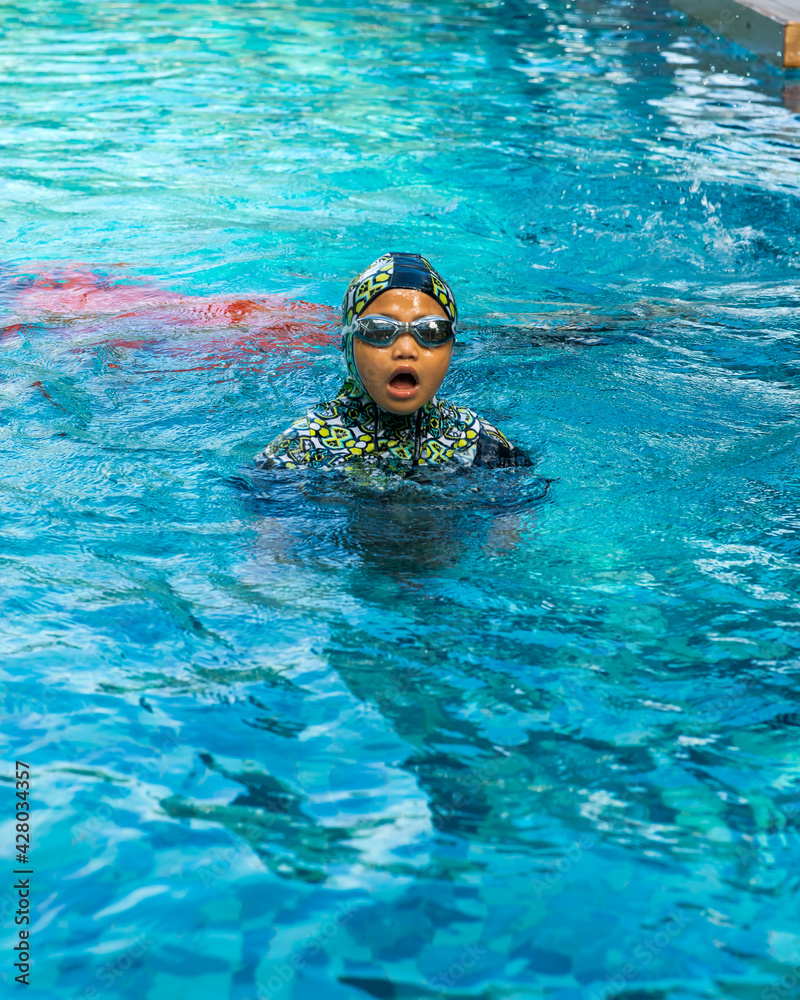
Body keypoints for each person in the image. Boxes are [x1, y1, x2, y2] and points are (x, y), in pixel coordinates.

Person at [254, 252, 531, 471]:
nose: (406, 350)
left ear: (451, 346)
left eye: (431, 332)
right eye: (379, 330)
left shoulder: (480, 442)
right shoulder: (300, 449)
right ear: (347, 345)